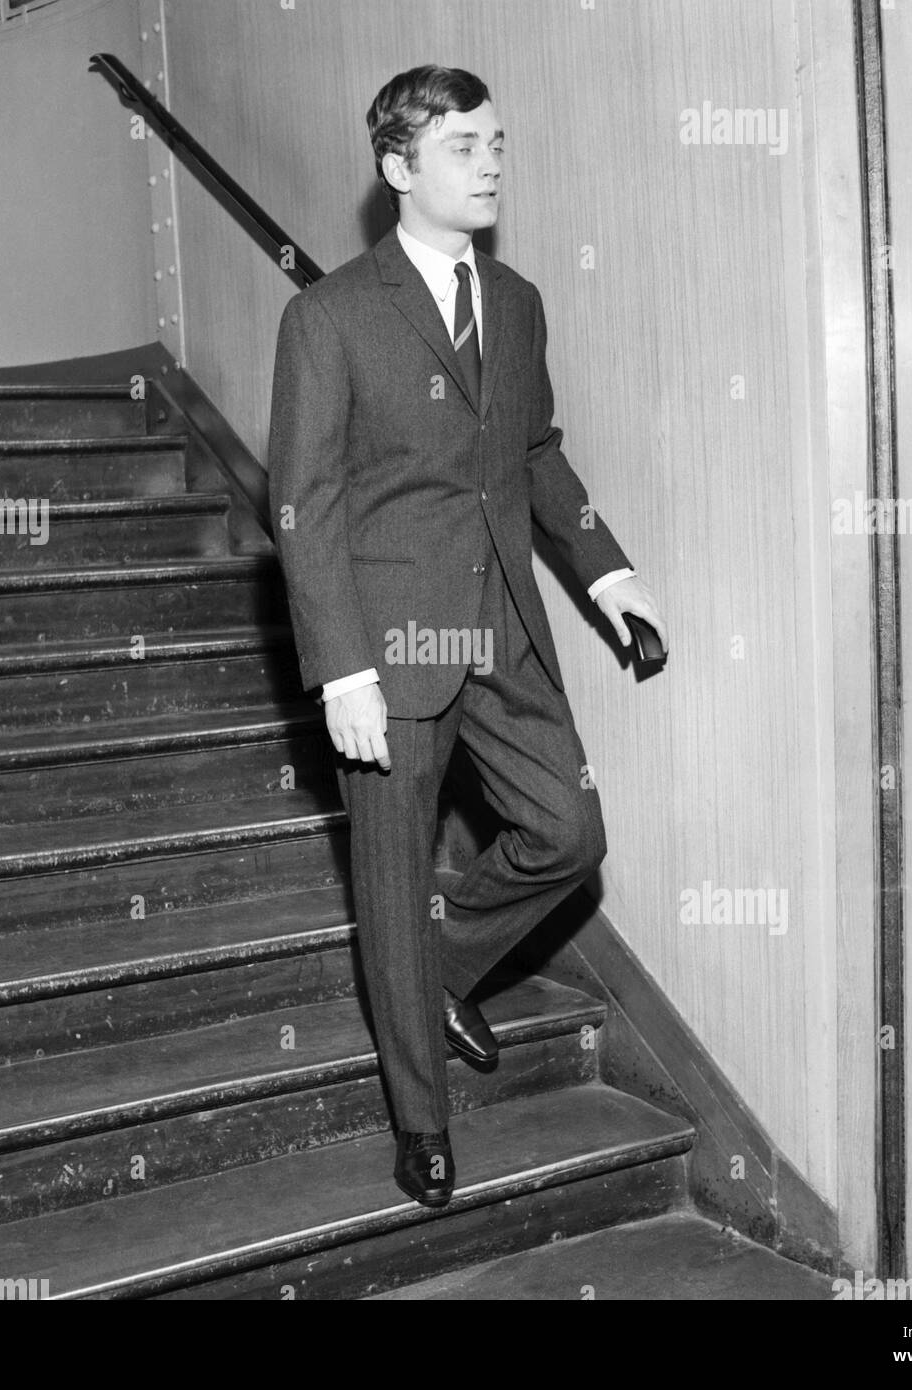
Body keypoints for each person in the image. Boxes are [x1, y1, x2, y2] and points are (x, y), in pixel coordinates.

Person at [267, 65, 666, 1208]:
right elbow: (301, 501)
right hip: (386, 651)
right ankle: (420, 1121)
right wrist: (338, 662)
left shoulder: (520, 301)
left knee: (567, 830)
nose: (490, 162)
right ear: (397, 167)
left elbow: (534, 455)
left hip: (500, 629)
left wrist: (608, 573)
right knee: (390, 881)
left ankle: (433, 968)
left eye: (496, 142)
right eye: (462, 146)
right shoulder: (330, 315)